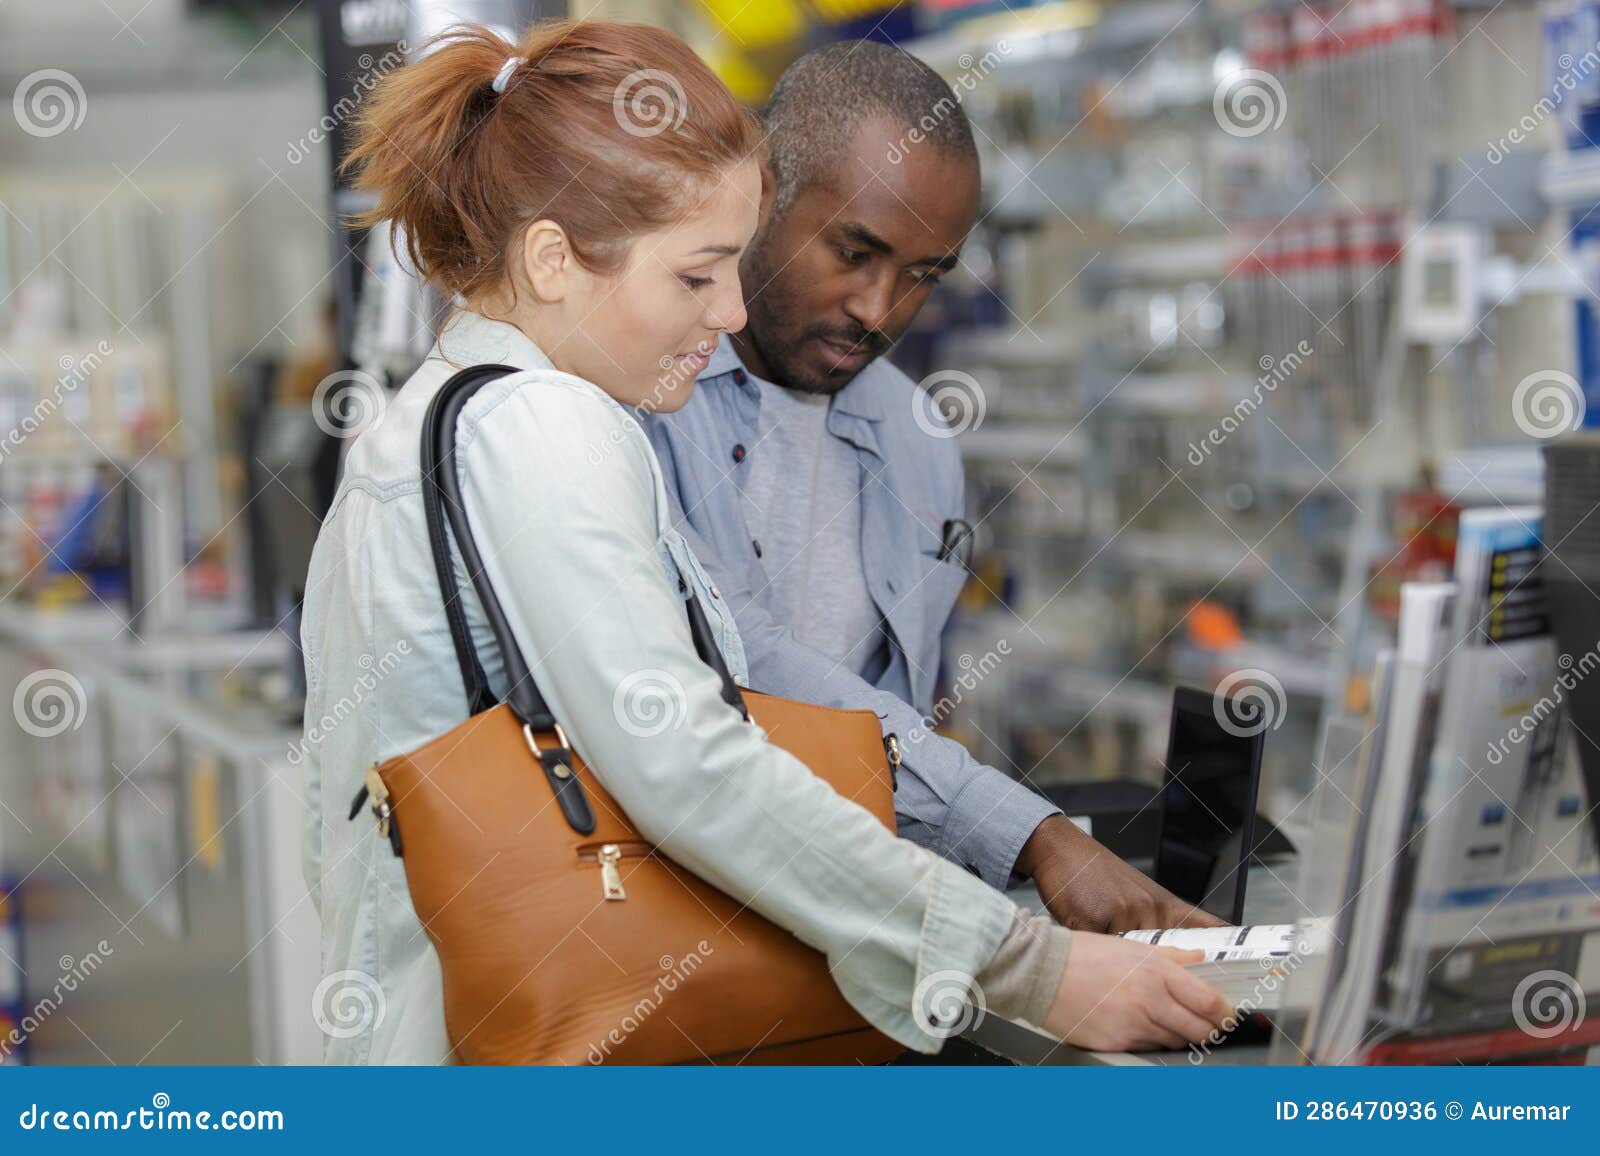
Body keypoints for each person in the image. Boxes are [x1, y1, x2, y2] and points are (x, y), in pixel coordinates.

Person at [299, 19, 1232, 1065]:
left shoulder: (451, 413)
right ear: (553, 261)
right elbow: (695, 766)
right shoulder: (543, 426)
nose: (729, 310)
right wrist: (1027, 966)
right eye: (697, 276)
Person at [644, 42, 1218, 933]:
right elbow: (737, 665)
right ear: (762, 191)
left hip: (845, 932)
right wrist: (1033, 836)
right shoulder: (643, 398)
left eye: (923, 275)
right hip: (657, 929)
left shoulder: (919, 442)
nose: (880, 310)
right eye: (855, 251)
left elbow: (892, 727)